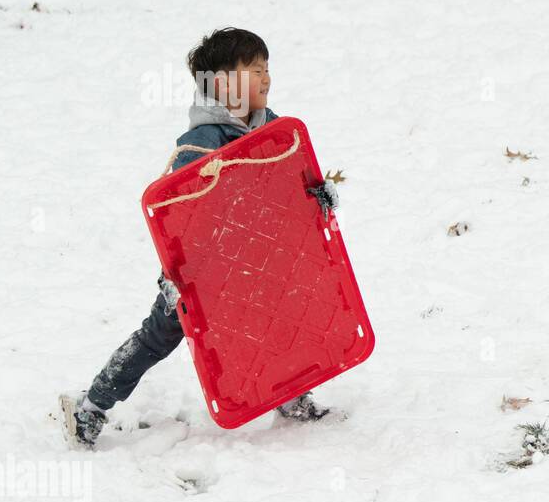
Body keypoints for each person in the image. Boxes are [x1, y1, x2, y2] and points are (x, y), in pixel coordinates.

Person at [61, 28, 340, 449]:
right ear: (222, 84)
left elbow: (288, 187)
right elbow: (178, 217)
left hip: (254, 258)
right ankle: (91, 405)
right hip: (200, 270)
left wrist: (317, 195)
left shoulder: (275, 131)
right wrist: (172, 277)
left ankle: (290, 396)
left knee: (274, 320)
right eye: (256, 70)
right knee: (160, 335)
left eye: (268, 69)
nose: (267, 79)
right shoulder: (201, 144)